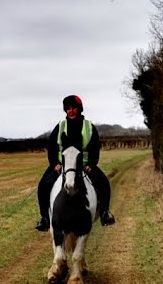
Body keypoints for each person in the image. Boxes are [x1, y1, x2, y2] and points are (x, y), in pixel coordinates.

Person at [35, 94, 115, 232]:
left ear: (79, 109)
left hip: (84, 166)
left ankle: (104, 213)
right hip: (62, 165)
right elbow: (52, 147)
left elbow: (95, 147)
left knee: (103, 183)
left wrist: (92, 163)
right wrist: (54, 163)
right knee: (43, 185)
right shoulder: (60, 126)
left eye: (74, 108)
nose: (71, 111)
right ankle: (44, 218)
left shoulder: (89, 127)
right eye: (68, 109)